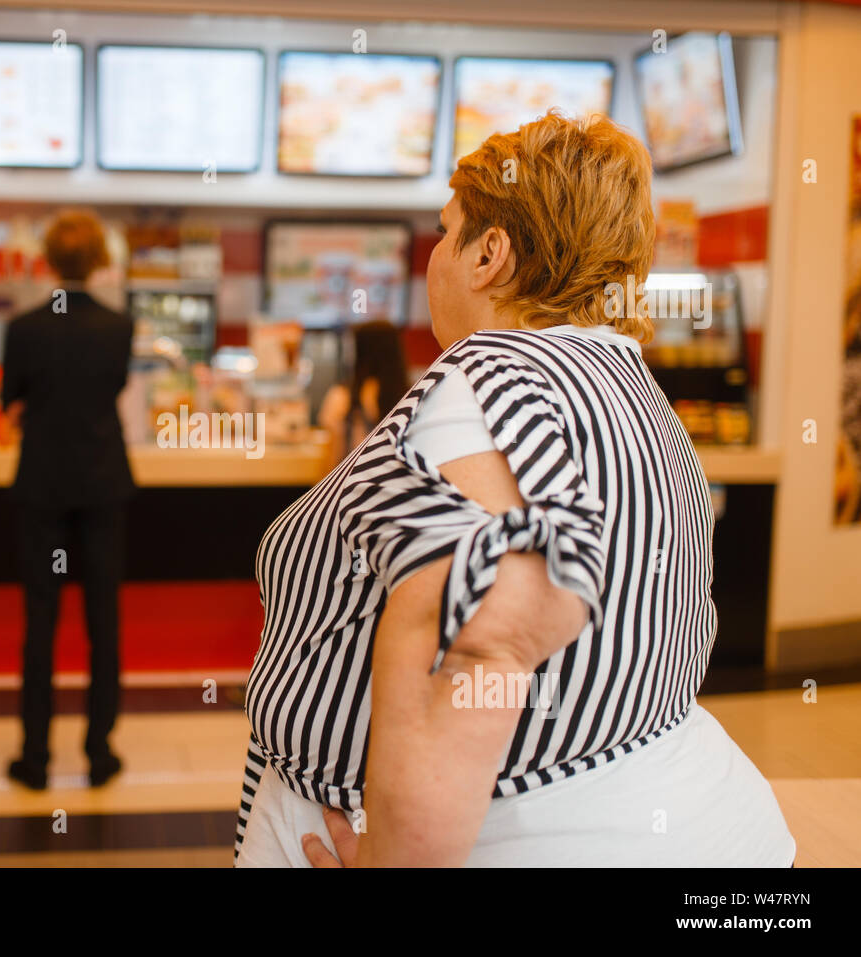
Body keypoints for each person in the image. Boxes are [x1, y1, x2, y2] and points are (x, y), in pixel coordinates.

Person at [235, 111, 794, 867]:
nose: (433, 255)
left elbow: (487, 638)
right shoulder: (629, 381)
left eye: (446, 229)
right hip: (700, 810)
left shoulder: (483, 377)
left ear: (489, 255)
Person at [1, 210, 134, 790]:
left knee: (40, 620)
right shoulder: (118, 325)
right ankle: (99, 752)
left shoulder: (26, 326)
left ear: (48, 260)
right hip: (104, 482)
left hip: (43, 486)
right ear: (100, 260)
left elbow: (12, 398)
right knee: (103, 622)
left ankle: (35, 757)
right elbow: (113, 388)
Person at [317, 320, 409, 467]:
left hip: (355, 484)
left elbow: (333, 457)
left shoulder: (341, 396)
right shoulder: (413, 398)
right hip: (399, 486)